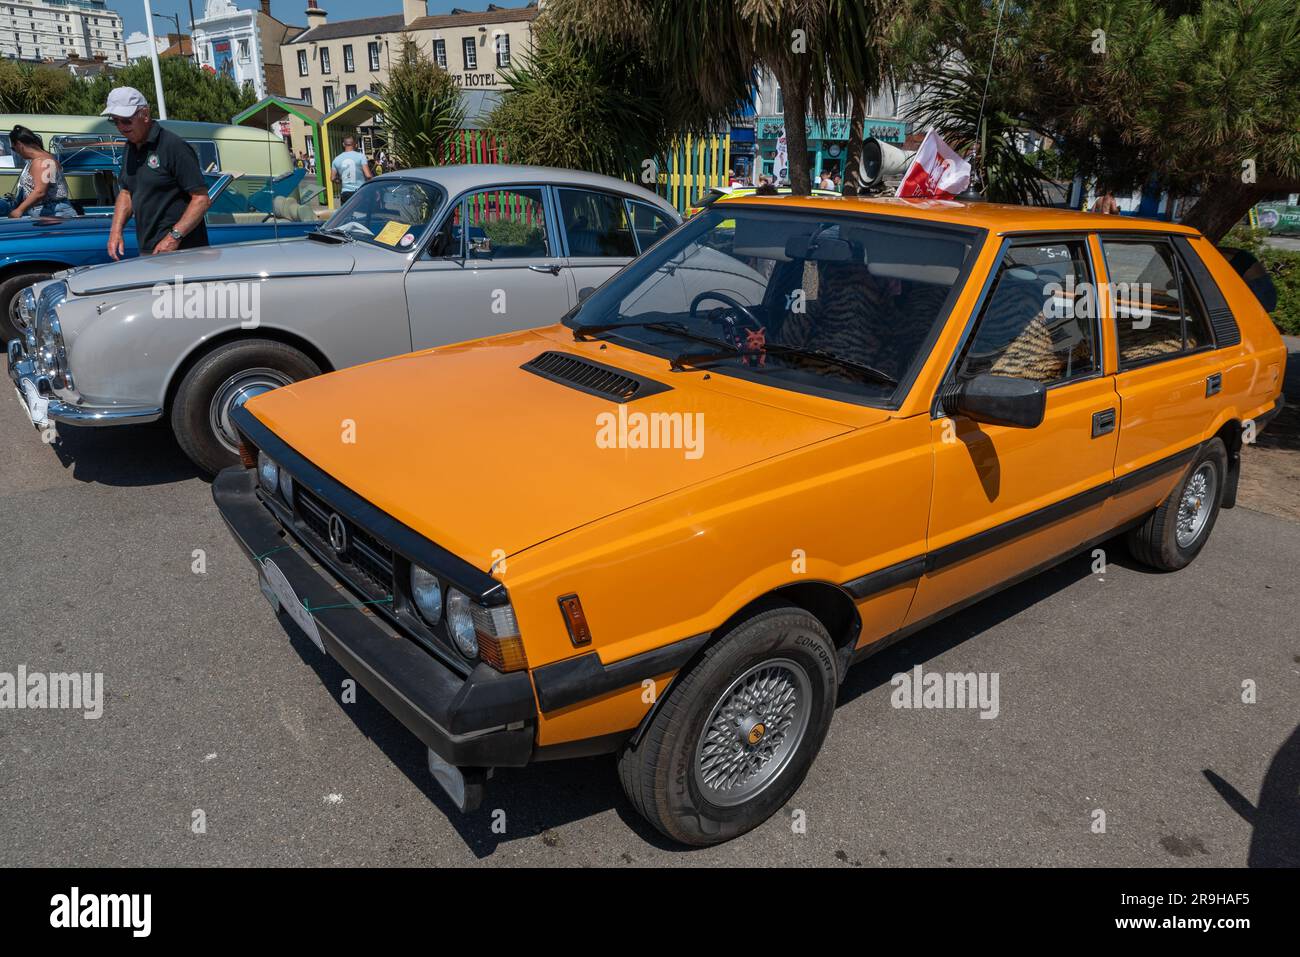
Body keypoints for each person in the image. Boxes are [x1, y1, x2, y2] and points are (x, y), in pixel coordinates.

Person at [103, 87, 210, 258]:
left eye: (126, 121)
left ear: (144, 115)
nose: (121, 127)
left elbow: (201, 199)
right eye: (115, 121)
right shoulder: (130, 148)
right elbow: (127, 191)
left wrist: (173, 238)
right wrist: (116, 231)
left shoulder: (173, 146)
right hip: (149, 250)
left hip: (183, 252)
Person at [8, 125, 76, 218]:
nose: (15, 152)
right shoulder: (47, 159)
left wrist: (19, 210)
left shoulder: (44, 162)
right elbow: (50, 187)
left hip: (52, 213)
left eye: (13, 148)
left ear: (19, 144)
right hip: (53, 210)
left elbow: (40, 192)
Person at [331, 136, 372, 206]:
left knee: (347, 214)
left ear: (343, 144)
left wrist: (340, 181)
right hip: (360, 191)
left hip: (345, 192)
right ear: (355, 145)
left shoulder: (336, 159)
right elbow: (368, 175)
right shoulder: (361, 156)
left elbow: (333, 178)